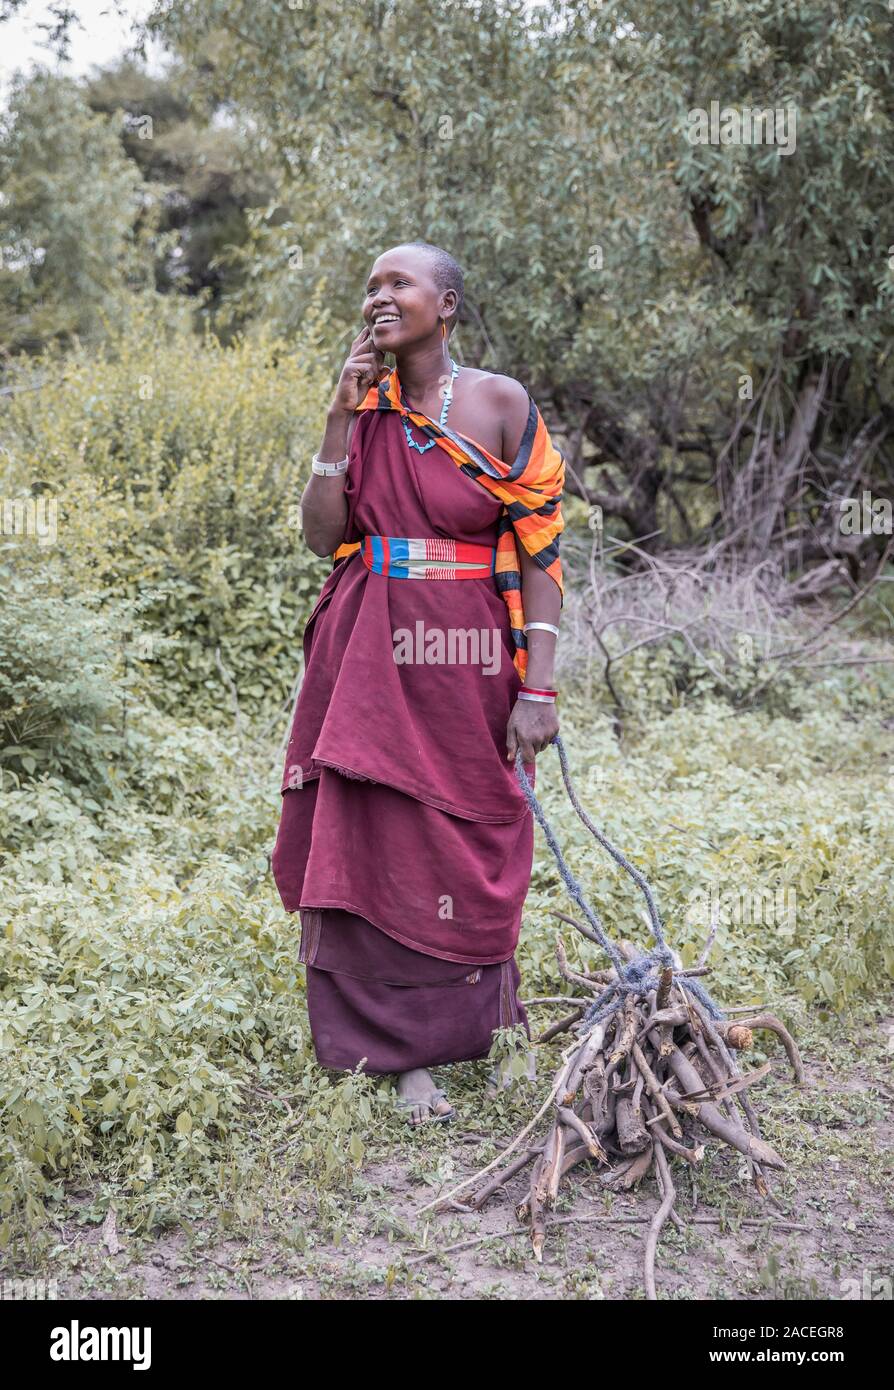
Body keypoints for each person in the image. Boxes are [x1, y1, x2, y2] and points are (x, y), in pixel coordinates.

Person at [272, 240, 565, 1125]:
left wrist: (540, 686)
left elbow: (545, 551)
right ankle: (401, 1059)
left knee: (476, 833)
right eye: (371, 286)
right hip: (367, 651)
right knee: (378, 841)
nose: (380, 297)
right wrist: (337, 415)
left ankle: (487, 1029)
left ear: (448, 303)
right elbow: (323, 538)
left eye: (398, 282)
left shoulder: (499, 403)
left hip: (473, 655)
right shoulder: (365, 406)